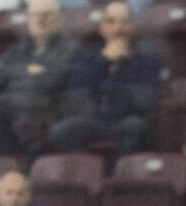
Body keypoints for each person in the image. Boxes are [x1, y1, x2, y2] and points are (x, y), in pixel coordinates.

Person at [49, 1, 161, 158]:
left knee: (135, 127)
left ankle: (121, 178)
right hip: (93, 120)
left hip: (126, 120)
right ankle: (85, 176)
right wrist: (105, 60)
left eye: (125, 22)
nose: (118, 28)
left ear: (133, 27)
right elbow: (77, 91)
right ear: (102, 28)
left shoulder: (148, 59)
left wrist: (105, 87)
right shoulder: (86, 55)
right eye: (111, 22)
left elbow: (145, 100)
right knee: (62, 130)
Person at [0, 0, 75, 159]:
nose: (41, 20)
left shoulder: (69, 49)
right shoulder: (20, 48)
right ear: (28, 20)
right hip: (10, 111)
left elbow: (51, 79)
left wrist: (15, 75)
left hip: (44, 112)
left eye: (46, 15)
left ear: (58, 19)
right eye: (35, 16)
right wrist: (26, 70)